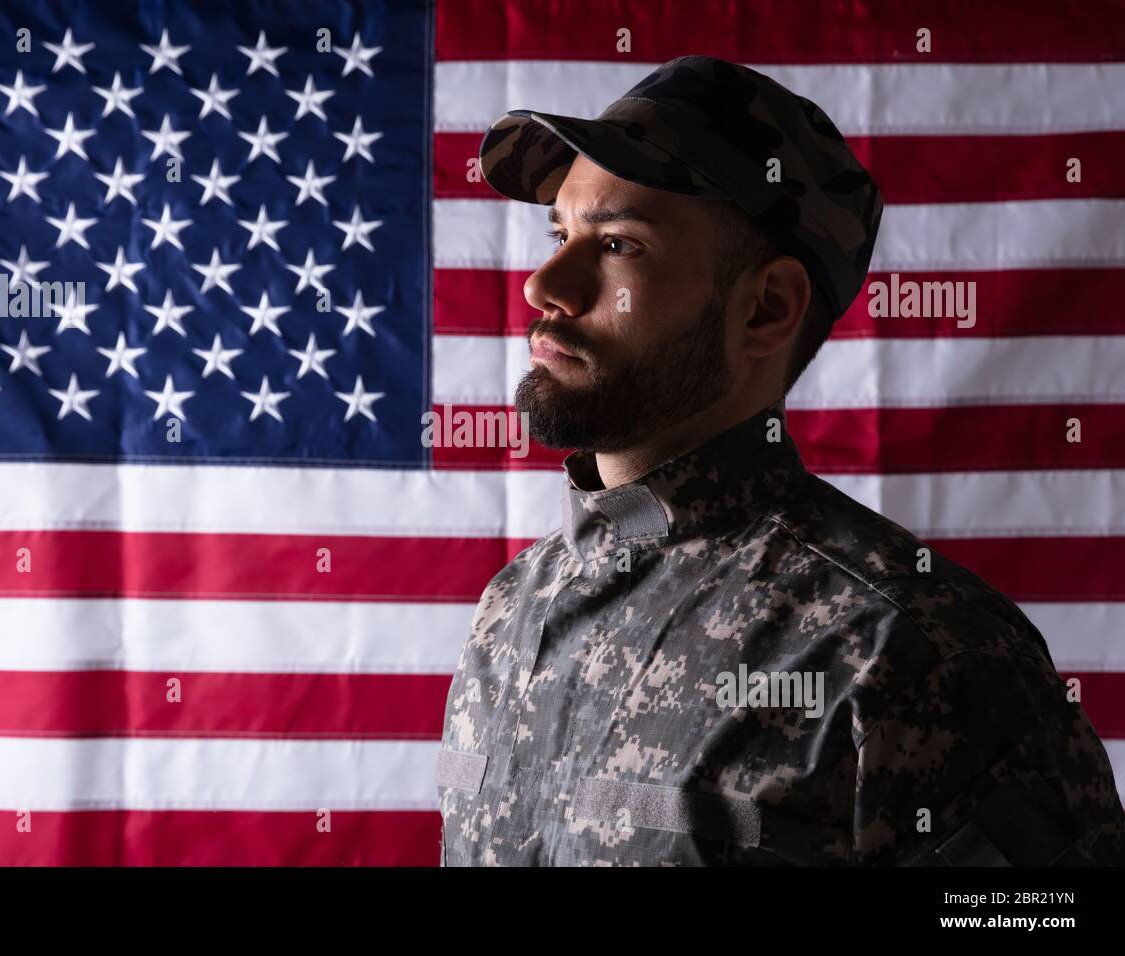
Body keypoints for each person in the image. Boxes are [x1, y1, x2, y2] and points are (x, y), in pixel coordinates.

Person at [436, 55, 1125, 866]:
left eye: (618, 244)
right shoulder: (512, 608)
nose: (544, 285)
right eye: (560, 234)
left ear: (765, 308)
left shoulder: (909, 647)